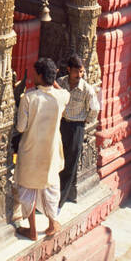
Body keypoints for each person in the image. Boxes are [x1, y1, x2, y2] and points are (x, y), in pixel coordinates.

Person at [14, 57, 67, 241]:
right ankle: (52, 223)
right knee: (51, 187)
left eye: (36, 73)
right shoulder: (60, 98)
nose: (33, 76)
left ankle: (32, 230)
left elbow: (20, 128)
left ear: (40, 75)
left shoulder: (29, 98)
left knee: (28, 189)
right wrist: (52, 82)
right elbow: (65, 93)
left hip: (30, 150)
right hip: (51, 152)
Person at [56, 53, 98, 206]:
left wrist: (85, 121)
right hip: (62, 124)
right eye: (76, 71)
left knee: (70, 163)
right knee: (59, 159)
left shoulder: (86, 89)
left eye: (81, 72)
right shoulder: (61, 82)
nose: (79, 75)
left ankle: (60, 199)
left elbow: (94, 109)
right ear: (69, 70)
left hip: (76, 127)